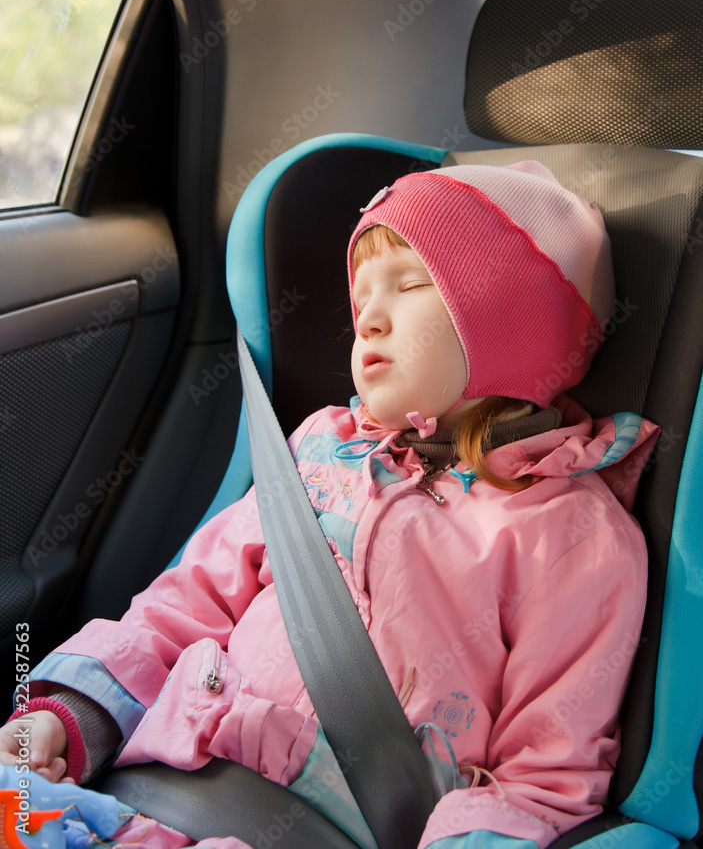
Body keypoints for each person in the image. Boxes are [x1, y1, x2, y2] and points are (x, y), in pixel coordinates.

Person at [1, 161, 659, 849]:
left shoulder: (572, 533)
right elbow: (186, 606)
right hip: (136, 794)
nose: (368, 319)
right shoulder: (320, 453)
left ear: (514, 318)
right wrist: (72, 715)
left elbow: (541, 776)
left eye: (409, 286)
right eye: (360, 299)